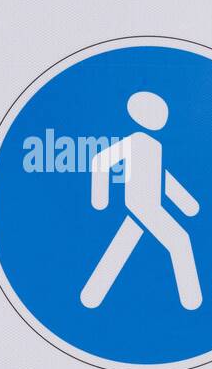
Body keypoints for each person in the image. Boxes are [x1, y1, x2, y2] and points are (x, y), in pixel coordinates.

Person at [80, 91, 202, 310]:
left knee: (122, 245)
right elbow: (101, 161)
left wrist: (187, 204)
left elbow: (162, 177)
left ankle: (91, 296)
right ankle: (192, 301)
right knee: (180, 241)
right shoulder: (135, 141)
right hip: (141, 204)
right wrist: (100, 199)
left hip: (147, 205)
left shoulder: (154, 145)